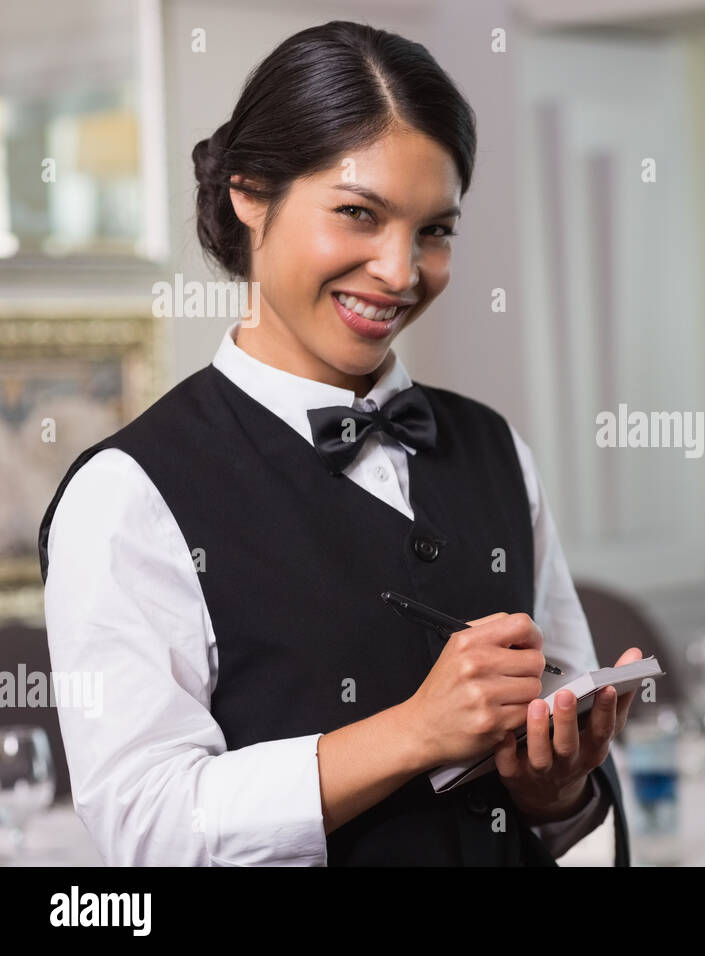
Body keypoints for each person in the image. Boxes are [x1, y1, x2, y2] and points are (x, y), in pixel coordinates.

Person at [37, 19, 639, 866]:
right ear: (250, 192)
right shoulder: (126, 495)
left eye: (435, 230)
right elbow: (149, 829)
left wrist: (561, 793)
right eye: (359, 214)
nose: (400, 270)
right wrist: (413, 733)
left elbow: (560, 780)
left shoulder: (495, 446)